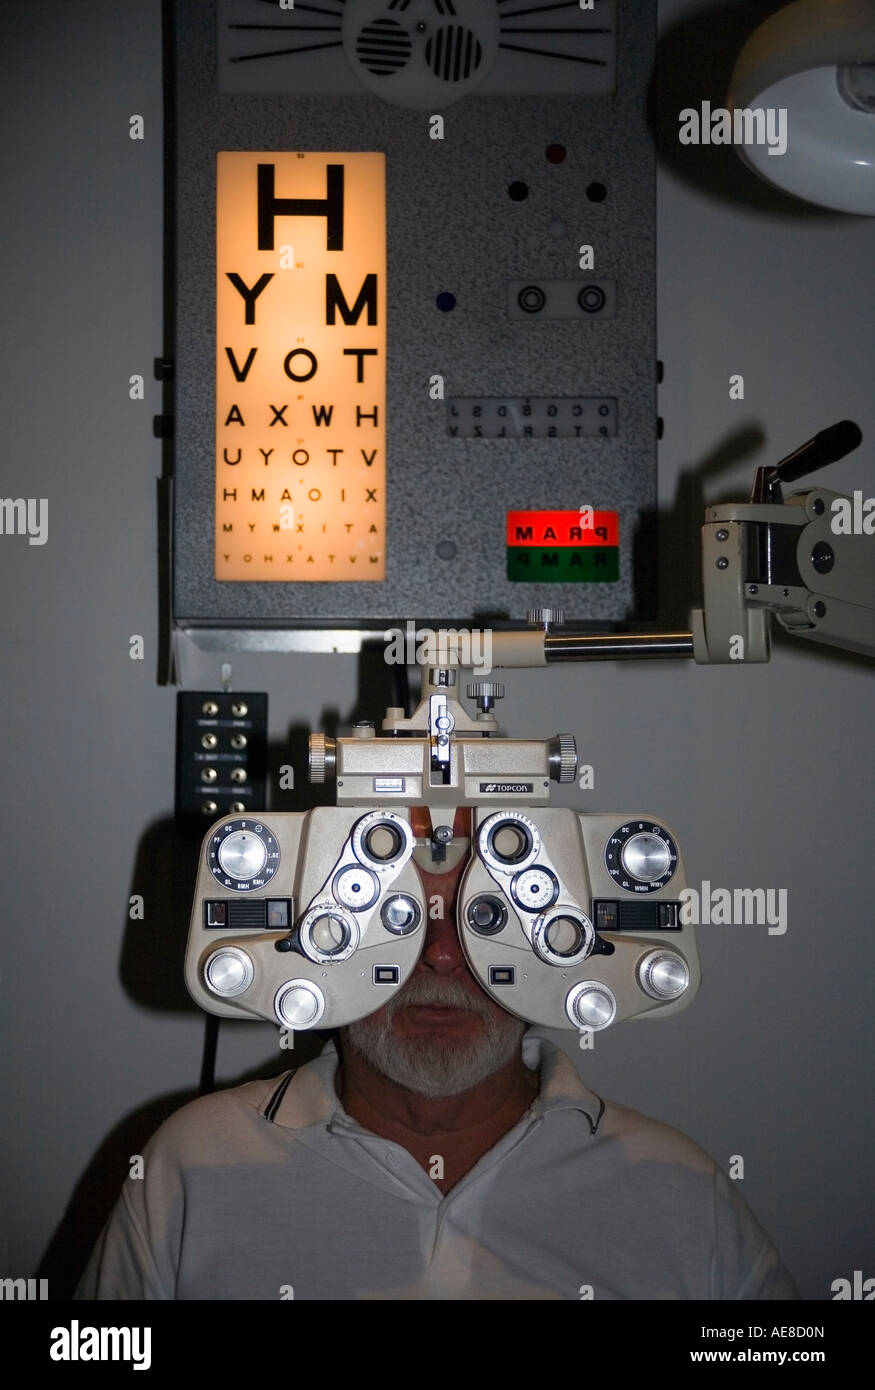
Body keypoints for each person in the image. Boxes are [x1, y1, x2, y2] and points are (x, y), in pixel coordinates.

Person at [75, 830, 799, 1301]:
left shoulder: (677, 1188)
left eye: (481, 921)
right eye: (400, 919)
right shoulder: (193, 1162)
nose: (442, 956)